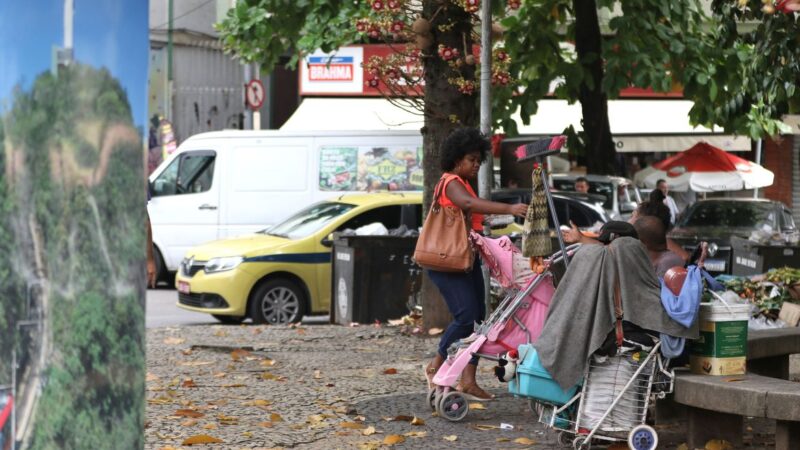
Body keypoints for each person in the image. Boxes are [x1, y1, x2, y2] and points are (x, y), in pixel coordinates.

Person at [424, 128, 528, 401]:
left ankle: (468, 380)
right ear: (457, 159)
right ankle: (435, 366)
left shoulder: (464, 182)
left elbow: (472, 216)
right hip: (447, 262)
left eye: (478, 160)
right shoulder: (451, 182)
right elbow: (468, 203)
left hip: (464, 261)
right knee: (466, 317)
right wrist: (510, 209)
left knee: (478, 321)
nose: (476, 165)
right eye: (472, 159)